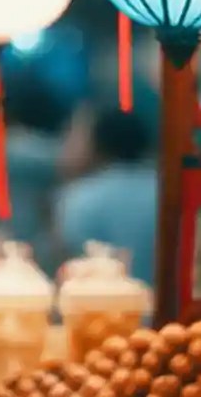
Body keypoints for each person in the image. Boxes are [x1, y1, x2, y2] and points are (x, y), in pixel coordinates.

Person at [55, 106, 156, 286]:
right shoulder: (165, 191)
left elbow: (69, 273)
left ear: (96, 144)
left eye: (72, 135)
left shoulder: (80, 198)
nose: (65, 145)